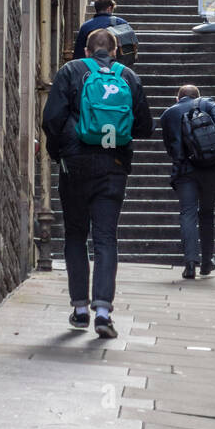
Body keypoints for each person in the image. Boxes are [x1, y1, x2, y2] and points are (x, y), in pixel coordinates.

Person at [42, 27, 153, 337]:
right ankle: (103, 311)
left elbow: (50, 119)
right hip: (112, 166)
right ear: (115, 51)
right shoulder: (128, 77)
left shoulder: (71, 70)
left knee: (76, 235)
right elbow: (145, 126)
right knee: (106, 238)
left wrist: (59, 151)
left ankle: (79, 310)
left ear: (87, 51)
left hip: (75, 165)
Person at [160, 84, 215, 280]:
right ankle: (207, 262)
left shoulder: (168, 114)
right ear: (198, 96)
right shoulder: (207, 103)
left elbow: (169, 145)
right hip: (210, 168)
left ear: (178, 98)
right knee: (207, 213)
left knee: (187, 213)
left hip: (184, 171)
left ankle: (190, 263)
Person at [74, 0, 138, 67]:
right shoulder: (121, 23)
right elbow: (131, 50)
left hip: (91, 68)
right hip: (115, 68)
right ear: (109, 8)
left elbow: (78, 54)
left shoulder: (85, 27)